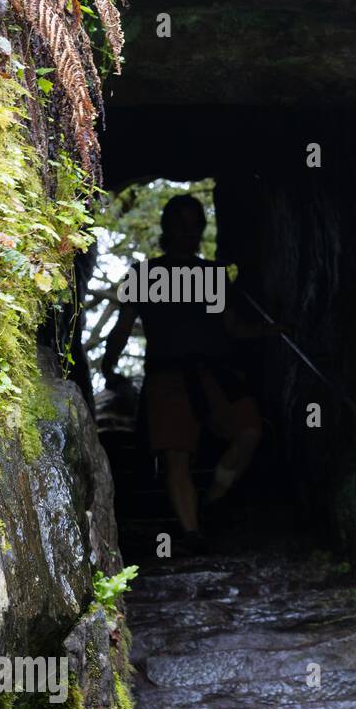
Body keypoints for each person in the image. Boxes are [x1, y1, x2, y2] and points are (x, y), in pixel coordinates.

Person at [101, 194, 272, 553]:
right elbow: (123, 324)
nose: (187, 232)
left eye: (194, 225)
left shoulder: (212, 275)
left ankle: (213, 500)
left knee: (250, 429)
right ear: (167, 228)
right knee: (176, 454)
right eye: (181, 224)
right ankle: (192, 532)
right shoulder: (144, 275)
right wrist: (109, 364)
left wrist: (274, 330)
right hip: (167, 376)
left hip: (215, 374)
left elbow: (234, 328)